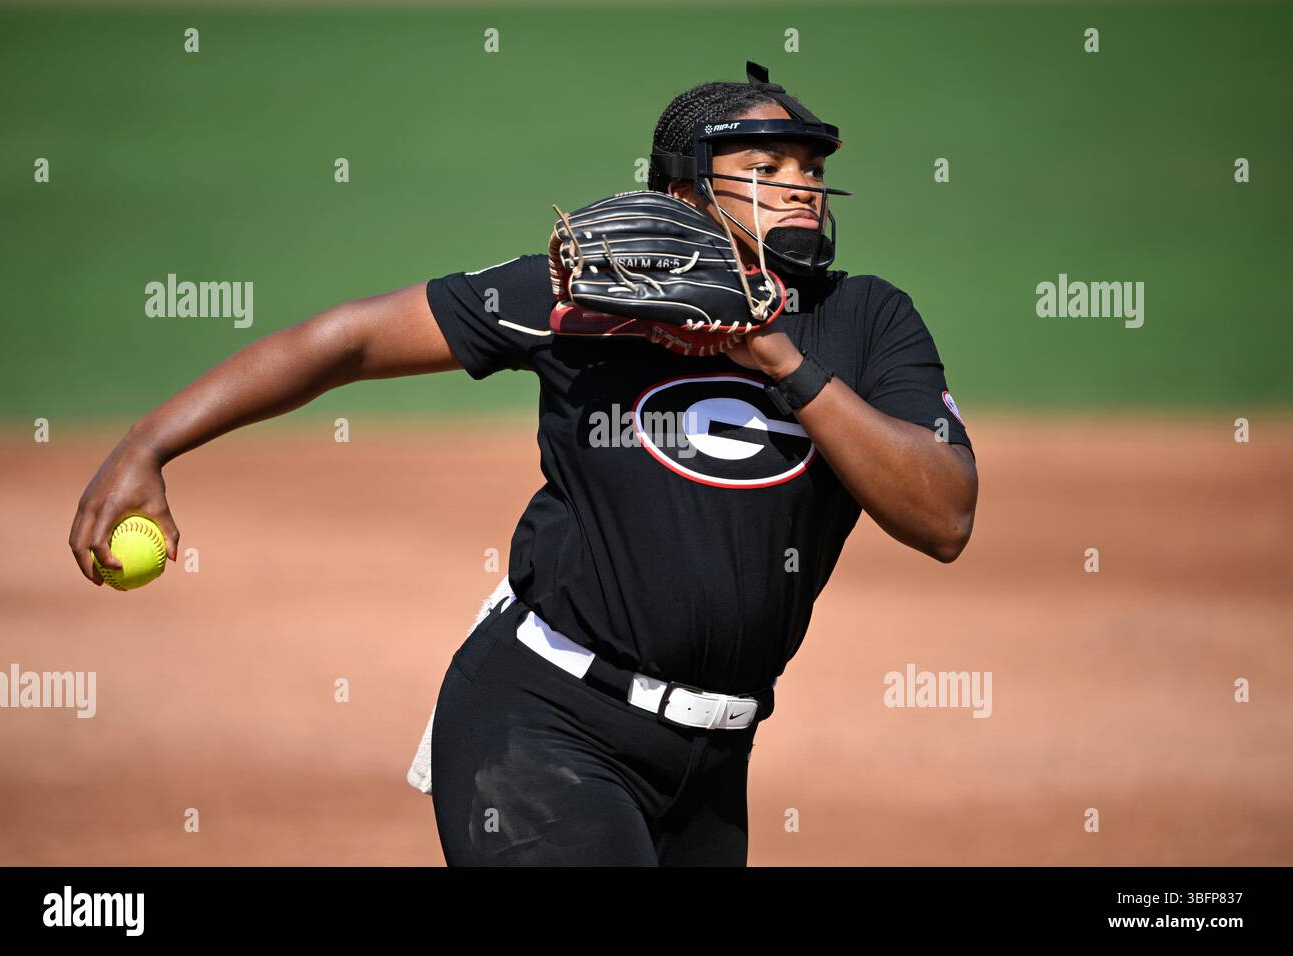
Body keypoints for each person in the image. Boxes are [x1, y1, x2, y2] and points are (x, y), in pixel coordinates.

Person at [69, 61, 977, 866]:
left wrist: (780, 357)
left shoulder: (867, 321)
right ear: (685, 194)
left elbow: (942, 517)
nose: (801, 189)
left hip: (714, 763)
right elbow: (346, 342)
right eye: (765, 169)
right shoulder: (586, 297)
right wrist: (148, 445)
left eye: (812, 170)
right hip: (543, 731)